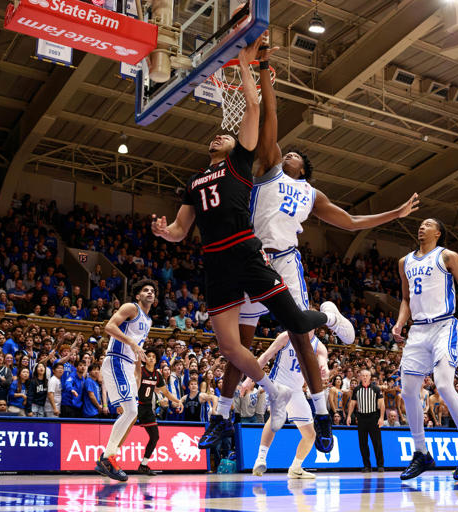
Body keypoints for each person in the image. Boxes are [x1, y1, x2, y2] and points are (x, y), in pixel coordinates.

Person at [210, 37, 420, 457]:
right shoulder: (269, 168)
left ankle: (321, 415)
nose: (286, 152)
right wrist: (265, 68)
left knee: (300, 333)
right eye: (285, 151)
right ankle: (223, 414)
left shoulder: (311, 194)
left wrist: (393, 215)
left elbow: (353, 221)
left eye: (294, 155)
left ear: (303, 168)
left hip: (285, 261)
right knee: (242, 344)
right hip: (251, 255)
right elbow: (270, 115)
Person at [151, 39, 353, 452]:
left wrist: (249, 66)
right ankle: (236, 410)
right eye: (216, 137)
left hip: (251, 253)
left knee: (297, 325)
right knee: (230, 347)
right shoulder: (193, 182)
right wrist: (164, 231)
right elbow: (179, 230)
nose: (218, 136)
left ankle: (325, 349)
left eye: (226, 135)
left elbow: (256, 113)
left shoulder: (243, 163)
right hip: (216, 263)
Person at [392, 218, 458, 480]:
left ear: (438, 232)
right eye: (420, 224)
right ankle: (421, 452)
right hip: (418, 330)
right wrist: (400, 323)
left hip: (444, 325)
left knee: (444, 385)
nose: (422, 227)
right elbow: (406, 299)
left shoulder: (448, 256)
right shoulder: (404, 262)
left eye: (428, 224)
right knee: (408, 391)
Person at [242, 331, 329, 479]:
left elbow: (323, 362)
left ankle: (295, 468)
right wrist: (249, 380)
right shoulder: (287, 336)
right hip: (278, 384)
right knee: (276, 416)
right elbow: (265, 357)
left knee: (310, 435)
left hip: (296, 391)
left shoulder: (318, 346)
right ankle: (261, 458)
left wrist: (325, 369)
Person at [94, 279, 157, 482]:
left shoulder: (148, 321)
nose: (149, 292)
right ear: (138, 295)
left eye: (152, 291)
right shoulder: (131, 307)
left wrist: (137, 376)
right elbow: (109, 327)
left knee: (131, 413)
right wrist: (131, 342)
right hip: (116, 360)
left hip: (129, 366)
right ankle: (107, 458)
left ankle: (107, 458)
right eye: (145, 290)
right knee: (131, 411)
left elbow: (137, 349)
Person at [136, 350, 183, 476]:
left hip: (146, 409)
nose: (151, 358)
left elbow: (166, 393)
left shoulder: (157, 374)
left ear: (156, 360)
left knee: (155, 436)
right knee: (124, 432)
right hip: (135, 405)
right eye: (149, 356)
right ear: (145, 358)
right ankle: (107, 457)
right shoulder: (140, 370)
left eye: (153, 357)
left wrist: (178, 401)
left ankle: (143, 465)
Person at [346, 369, 385, 473]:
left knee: (377, 442)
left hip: (373, 417)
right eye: (362, 375)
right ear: (360, 377)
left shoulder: (376, 389)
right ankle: (367, 466)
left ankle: (380, 465)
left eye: (366, 375)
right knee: (363, 443)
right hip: (361, 418)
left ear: (370, 377)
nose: (364, 377)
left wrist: (381, 418)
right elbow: (352, 403)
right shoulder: (357, 389)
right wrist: (349, 416)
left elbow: (381, 404)